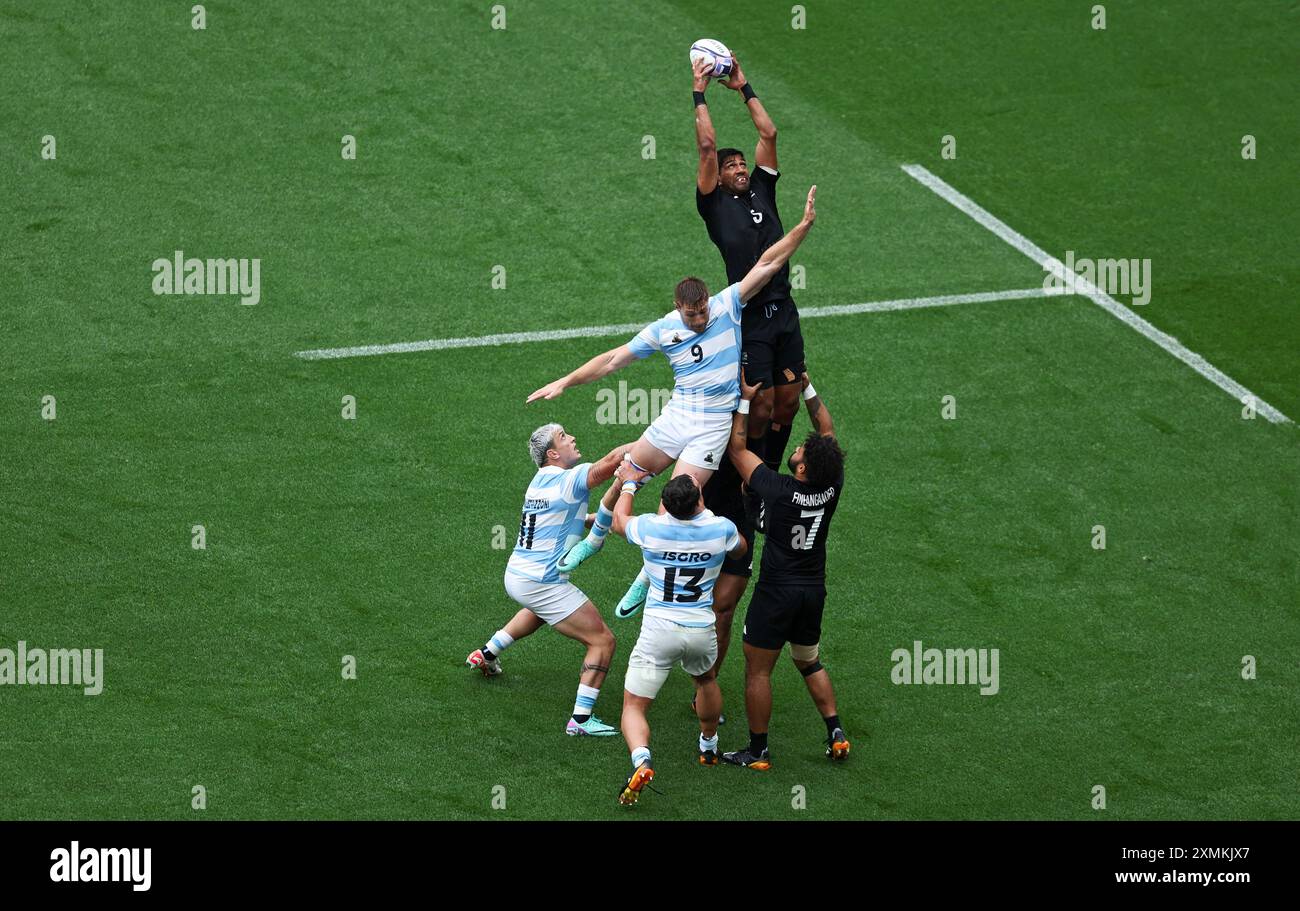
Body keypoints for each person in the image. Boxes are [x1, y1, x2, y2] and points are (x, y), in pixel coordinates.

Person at [531, 186, 819, 618]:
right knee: (626, 470)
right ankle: (593, 541)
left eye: (703, 311)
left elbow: (769, 262)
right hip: (678, 415)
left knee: (673, 501)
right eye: (693, 314)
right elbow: (612, 361)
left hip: (714, 424)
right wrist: (566, 382)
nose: (701, 319)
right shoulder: (664, 329)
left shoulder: (728, 304)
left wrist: (803, 226)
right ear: (677, 308)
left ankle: (645, 578)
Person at [465, 423, 632, 736]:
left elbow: (556, 518)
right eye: (565, 437)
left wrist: (592, 521)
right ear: (553, 453)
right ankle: (580, 720)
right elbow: (610, 463)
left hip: (517, 575)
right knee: (603, 641)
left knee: (541, 612)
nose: (573, 438)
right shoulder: (569, 479)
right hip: (542, 581)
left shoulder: (539, 482)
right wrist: (657, 440)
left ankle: (486, 654)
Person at [721, 372, 850, 768]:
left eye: (800, 451)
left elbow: (736, 447)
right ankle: (836, 732)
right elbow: (825, 429)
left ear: (801, 470)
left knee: (758, 672)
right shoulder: (831, 484)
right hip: (812, 592)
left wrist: (743, 401)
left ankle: (757, 751)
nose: (797, 447)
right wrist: (807, 385)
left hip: (776, 593)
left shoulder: (776, 489)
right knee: (808, 660)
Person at [692, 53, 807, 478]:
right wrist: (699, 93)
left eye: (742, 163)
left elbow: (769, 132)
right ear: (717, 179)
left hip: (785, 309)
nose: (739, 168)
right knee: (758, 405)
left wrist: (743, 86)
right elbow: (706, 146)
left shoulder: (763, 188)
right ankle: (749, 480)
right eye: (731, 166)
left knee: (788, 401)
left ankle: (773, 473)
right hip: (751, 315)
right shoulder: (714, 206)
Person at [605, 473, 748, 805]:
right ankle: (709, 745)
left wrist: (629, 485)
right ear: (699, 501)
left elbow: (618, 521)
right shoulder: (720, 529)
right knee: (706, 680)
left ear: (666, 507)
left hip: (659, 630)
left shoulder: (651, 528)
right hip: (700, 628)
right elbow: (740, 549)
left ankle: (641, 760)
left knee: (634, 706)